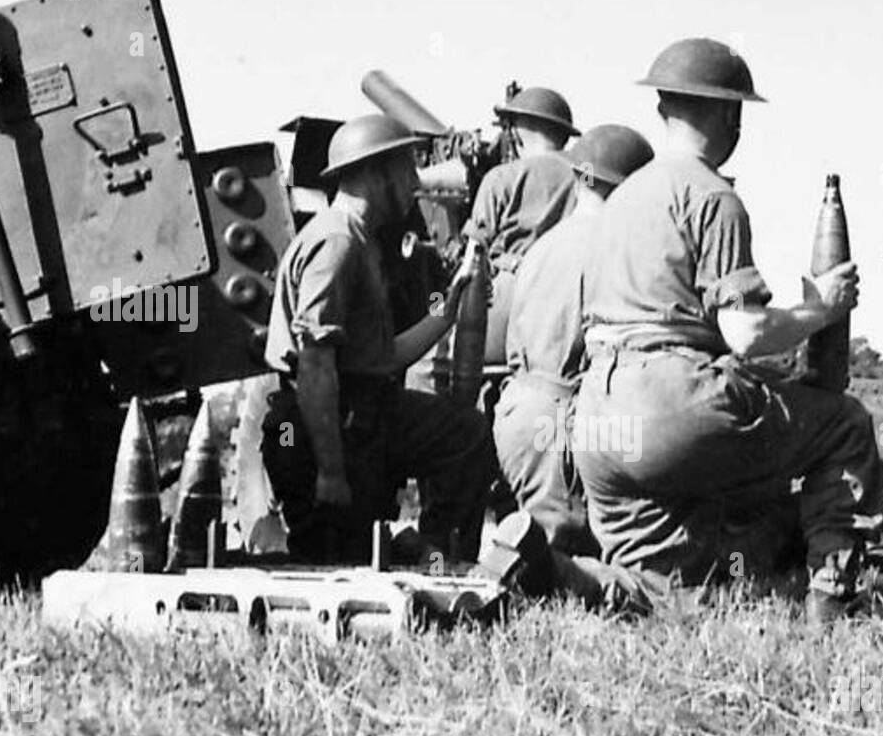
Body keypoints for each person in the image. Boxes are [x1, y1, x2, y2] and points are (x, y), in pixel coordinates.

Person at [565, 37, 883, 621]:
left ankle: (554, 572)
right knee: (843, 426)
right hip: (672, 412)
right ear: (730, 113)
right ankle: (833, 605)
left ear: (663, 108)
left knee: (668, 594)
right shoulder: (712, 196)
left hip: (599, 426)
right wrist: (823, 309)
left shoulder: (620, 200)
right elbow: (744, 332)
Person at [262, 114, 496, 563]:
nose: (416, 182)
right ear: (374, 172)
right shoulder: (338, 243)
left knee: (463, 433)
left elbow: (383, 358)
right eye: (407, 169)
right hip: (321, 433)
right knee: (335, 564)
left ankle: (436, 558)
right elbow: (315, 364)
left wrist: (450, 305)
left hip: (360, 419)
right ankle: (425, 561)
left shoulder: (358, 238)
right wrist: (331, 472)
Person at [493, 124, 655, 556]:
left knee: (552, 549)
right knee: (563, 567)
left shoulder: (541, 248)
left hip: (519, 415)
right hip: (561, 424)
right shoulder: (616, 248)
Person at [465, 87, 581, 363]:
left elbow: (473, 257)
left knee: (428, 363)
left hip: (511, 298)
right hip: (570, 300)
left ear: (516, 131)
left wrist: (440, 306)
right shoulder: (585, 174)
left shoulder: (500, 178)